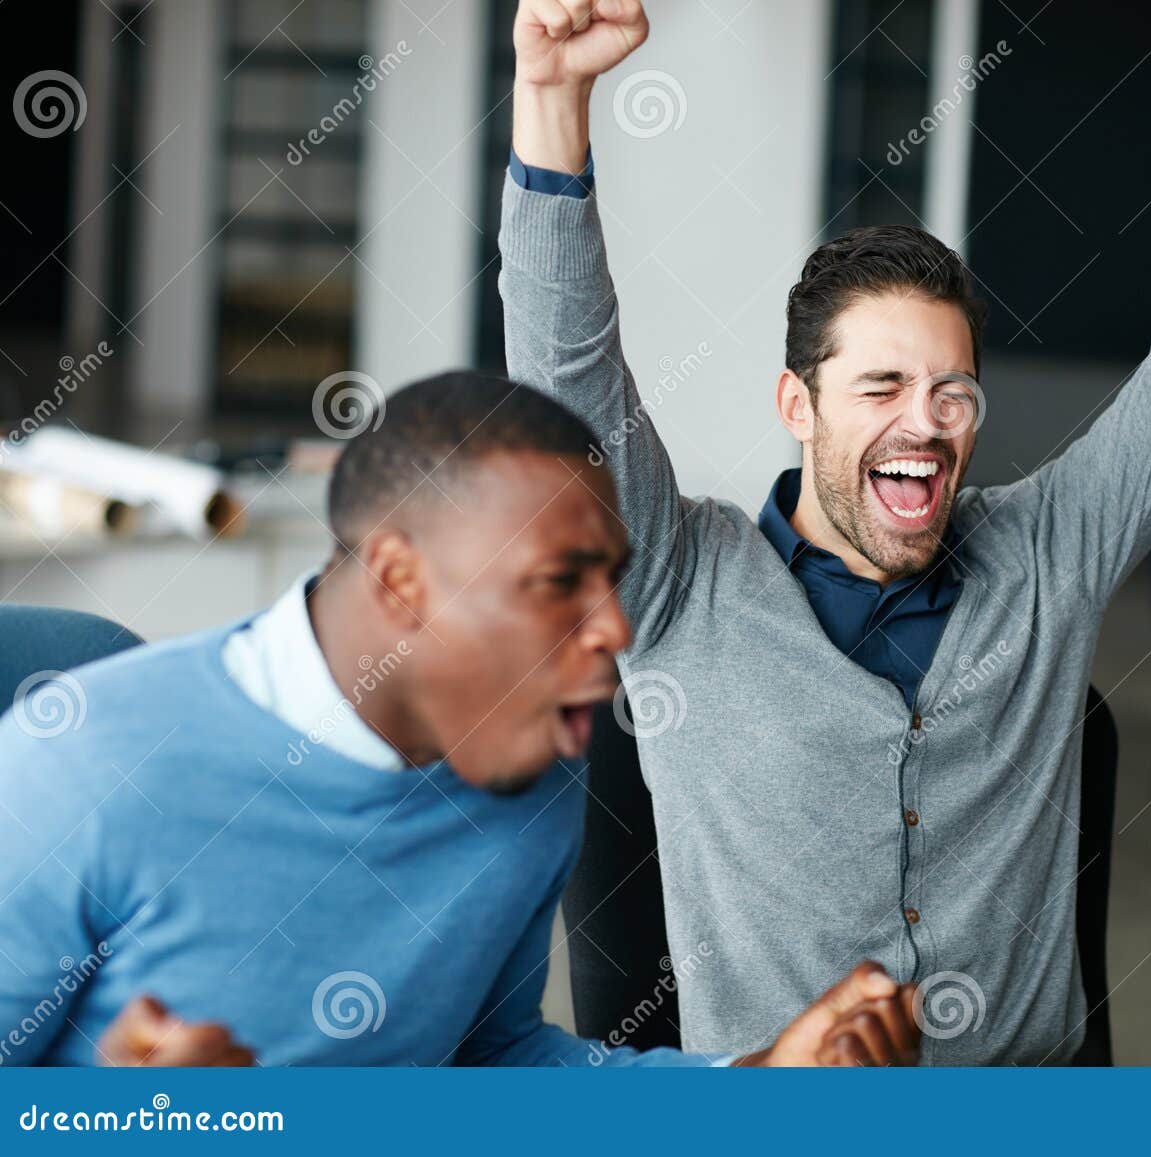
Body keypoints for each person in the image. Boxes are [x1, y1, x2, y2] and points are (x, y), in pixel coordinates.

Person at [498, 0, 1151, 1062]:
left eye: (952, 391)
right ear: (798, 405)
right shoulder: (679, 578)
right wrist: (553, 98)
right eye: (881, 385)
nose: (923, 420)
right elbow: (568, 381)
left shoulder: (1047, 555)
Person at [0, 373, 919, 1067]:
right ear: (401, 580)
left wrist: (750, 1081)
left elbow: (491, 1057)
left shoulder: (525, 762)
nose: (615, 630)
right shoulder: (76, 763)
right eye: (560, 583)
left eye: (609, 579)